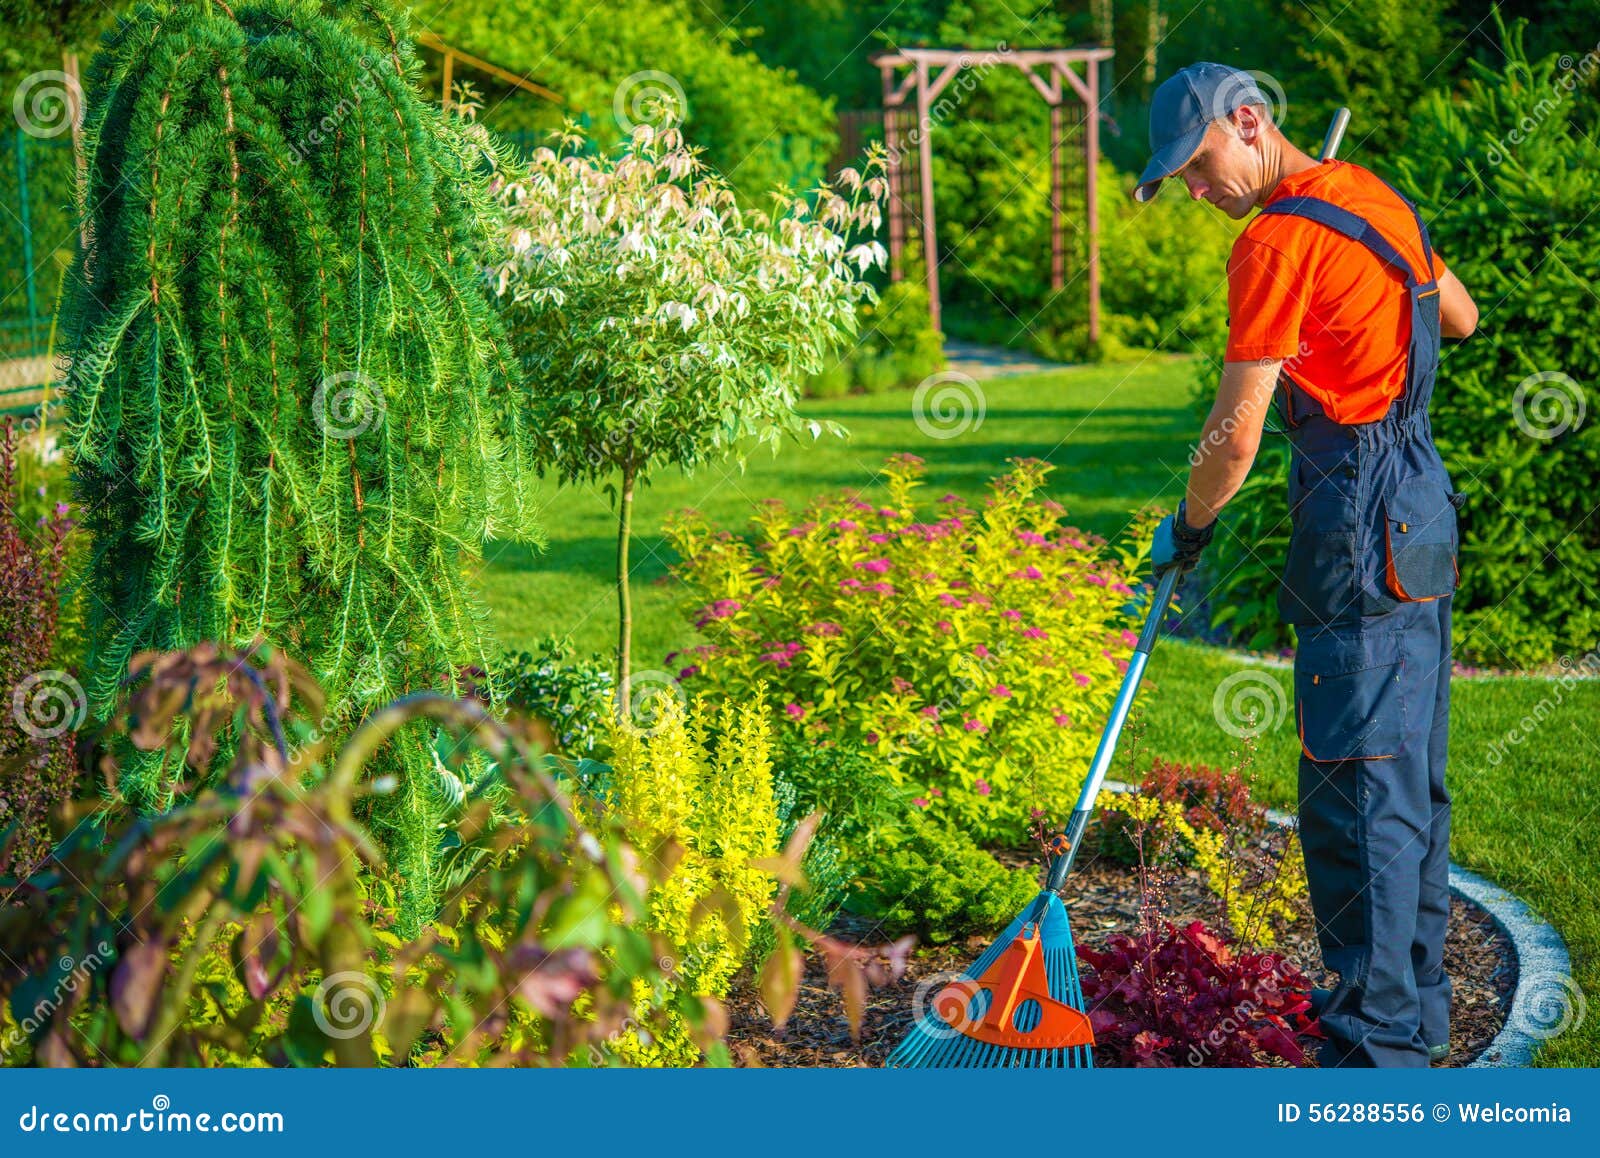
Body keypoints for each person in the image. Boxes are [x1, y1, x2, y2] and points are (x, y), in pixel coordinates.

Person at [1138, 63, 1479, 1067]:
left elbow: (1233, 436)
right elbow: (1456, 317)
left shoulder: (1276, 240)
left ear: (1248, 122)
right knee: (1406, 775)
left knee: (1353, 790)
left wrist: (1190, 527)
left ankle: (1371, 1063)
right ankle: (1411, 1026)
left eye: (1199, 167)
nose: (1197, 194)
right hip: (1417, 495)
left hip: (1352, 510)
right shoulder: (1368, 195)